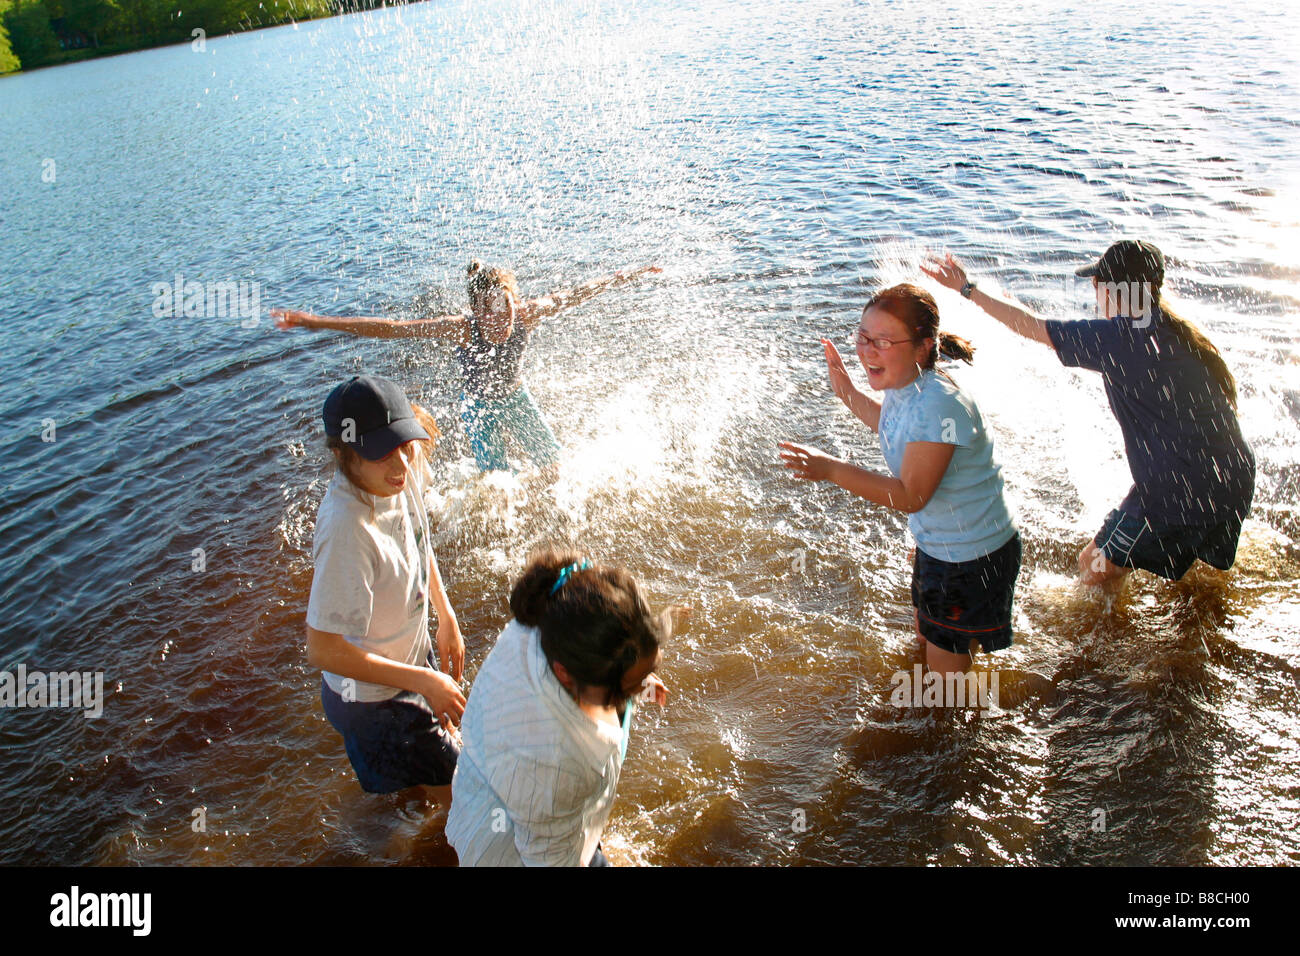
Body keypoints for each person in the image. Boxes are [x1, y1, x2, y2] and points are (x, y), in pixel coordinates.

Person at [921, 241, 1255, 585]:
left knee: (1093, 569)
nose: (1096, 297)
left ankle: (1097, 637)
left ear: (1114, 290)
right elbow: (1041, 325)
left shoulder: (1120, 338)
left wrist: (966, 288)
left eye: (1098, 287)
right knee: (1197, 573)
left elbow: (1032, 327)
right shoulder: (1172, 330)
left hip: (1177, 494)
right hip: (1232, 480)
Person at [779, 284, 1020, 680]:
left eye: (883, 341)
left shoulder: (941, 403)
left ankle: (959, 733)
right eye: (864, 337)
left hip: (973, 556)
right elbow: (894, 426)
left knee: (945, 683)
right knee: (926, 640)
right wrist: (847, 392)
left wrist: (832, 469)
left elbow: (912, 495)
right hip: (942, 545)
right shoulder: (908, 384)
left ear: (923, 346)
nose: (868, 350)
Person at [272, 261, 662, 473]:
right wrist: (315, 321)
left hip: (515, 398)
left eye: (506, 307)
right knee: (495, 481)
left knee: (554, 465)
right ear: (476, 311)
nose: (501, 318)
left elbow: (578, 293)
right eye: (490, 311)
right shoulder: (461, 330)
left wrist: (629, 275)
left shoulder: (527, 315)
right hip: (477, 407)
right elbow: (391, 330)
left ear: (514, 301)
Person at [446, 549, 675, 866]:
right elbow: (548, 860)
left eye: (651, 667)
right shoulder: (552, 763)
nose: (639, 688)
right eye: (626, 687)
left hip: (533, 810)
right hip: (511, 850)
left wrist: (639, 680)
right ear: (569, 676)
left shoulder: (552, 619)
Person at [305, 375, 467, 806]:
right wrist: (423, 681)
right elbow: (321, 649)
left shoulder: (401, 471)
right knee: (465, 795)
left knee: (447, 776)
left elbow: (417, 539)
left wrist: (445, 615)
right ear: (344, 455)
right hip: (373, 702)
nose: (400, 466)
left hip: (410, 662)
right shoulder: (347, 528)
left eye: (404, 445)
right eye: (381, 454)